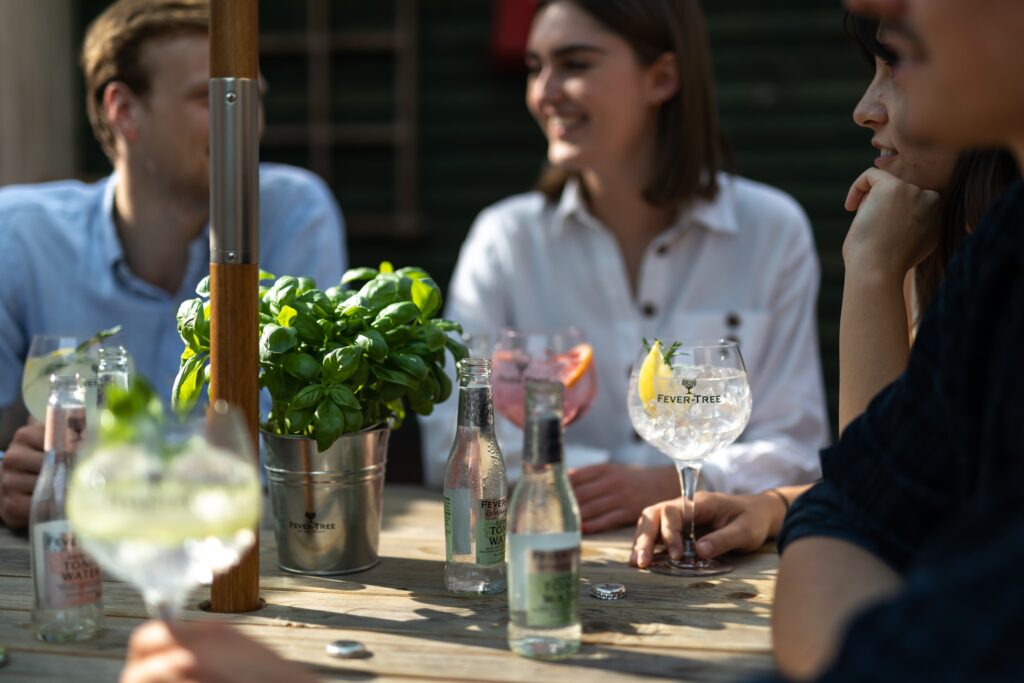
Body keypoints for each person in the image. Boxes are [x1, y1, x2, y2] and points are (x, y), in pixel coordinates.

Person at [419, 0, 830, 534]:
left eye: (575, 64)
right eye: (535, 66)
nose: (543, 93)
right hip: (548, 555)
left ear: (661, 78)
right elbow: (452, 443)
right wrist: (625, 481)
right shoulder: (505, 240)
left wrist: (668, 482)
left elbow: (796, 449)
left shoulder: (772, 231)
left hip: (714, 564)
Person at [630, 11, 1019, 570]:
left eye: (898, 65)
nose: (865, 109)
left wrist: (870, 268)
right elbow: (915, 479)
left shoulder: (916, 254)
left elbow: (878, 531)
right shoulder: (939, 251)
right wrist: (774, 506)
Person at [0, 0, 347, 530]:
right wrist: (18, 479)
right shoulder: (21, 235)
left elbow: (300, 454)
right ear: (124, 110)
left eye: (252, 99)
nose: (245, 123)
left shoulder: (293, 213)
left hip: (252, 585)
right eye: (215, 98)